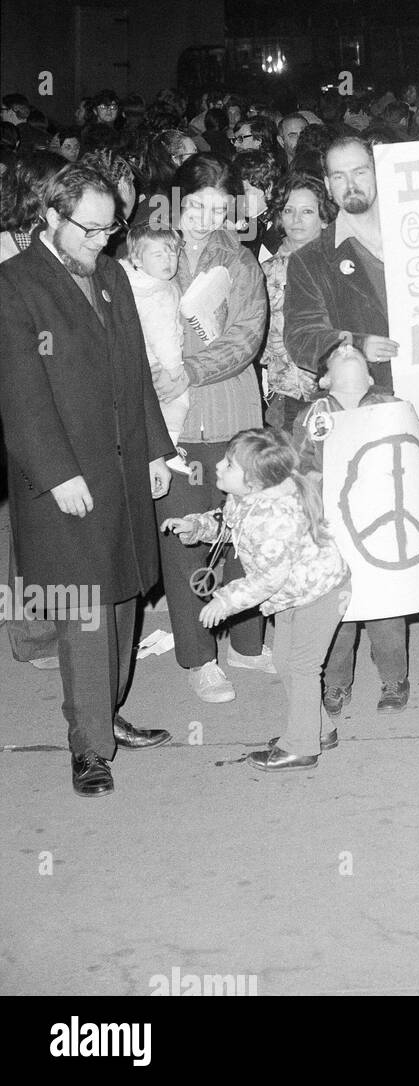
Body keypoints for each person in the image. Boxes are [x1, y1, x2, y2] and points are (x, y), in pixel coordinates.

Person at [283, 133, 419, 716]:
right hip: (365, 414)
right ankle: (361, 648)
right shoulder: (311, 260)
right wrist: (351, 342)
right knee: (368, 527)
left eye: (360, 172)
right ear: (326, 186)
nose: (351, 184)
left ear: (382, 174)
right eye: (338, 175)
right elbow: (301, 337)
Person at [0, 164, 174, 796]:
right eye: (90, 229)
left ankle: (107, 710)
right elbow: (20, 396)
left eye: (110, 228)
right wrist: (56, 474)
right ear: (50, 215)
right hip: (66, 476)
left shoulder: (110, 277)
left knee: (124, 593)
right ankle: (89, 746)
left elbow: (135, 371)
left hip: (124, 464)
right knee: (85, 609)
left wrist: (156, 449)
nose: (102, 240)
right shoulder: (14, 286)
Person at [151, 156, 272, 703]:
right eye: (197, 204)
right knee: (183, 542)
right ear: (177, 200)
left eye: (219, 207)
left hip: (232, 414)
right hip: (172, 423)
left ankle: (248, 643)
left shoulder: (240, 260)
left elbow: (248, 336)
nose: (206, 216)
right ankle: (200, 658)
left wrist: (190, 373)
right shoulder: (151, 253)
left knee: (245, 534)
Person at [163, 427, 350, 770]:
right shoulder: (247, 498)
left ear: (253, 481)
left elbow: (268, 578)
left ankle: (301, 746)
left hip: (320, 594)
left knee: (303, 667)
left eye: (229, 464)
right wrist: (197, 528)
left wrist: (224, 599)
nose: (217, 466)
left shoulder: (274, 518)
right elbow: (226, 524)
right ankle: (319, 729)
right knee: (284, 660)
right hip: (295, 594)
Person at [260, 173, 336, 431]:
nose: (296, 220)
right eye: (289, 210)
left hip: (338, 390)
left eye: (307, 212)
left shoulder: (342, 267)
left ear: (324, 218)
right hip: (287, 394)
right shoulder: (264, 272)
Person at [119, 225, 190, 467]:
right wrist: (174, 369)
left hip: (134, 363)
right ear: (137, 258)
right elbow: (163, 334)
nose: (168, 261)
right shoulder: (159, 291)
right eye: (158, 255)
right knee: (179, 401)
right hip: (159, 362)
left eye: (173, 253)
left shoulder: (128, 280)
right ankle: (169, 450)